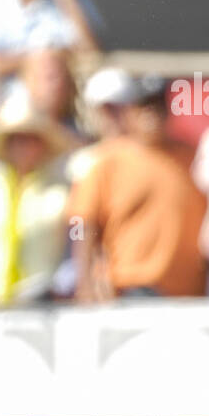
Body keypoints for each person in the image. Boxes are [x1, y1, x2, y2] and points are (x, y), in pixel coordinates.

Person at [69, 77, 207, 301]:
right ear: (129, 111)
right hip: (131, 289)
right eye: (144, 106)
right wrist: (85, 282)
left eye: (158, 106)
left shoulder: (191, 157)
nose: (152, 113)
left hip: (189, 294)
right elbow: (81, 224)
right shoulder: (107, 161)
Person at [0, 91, 77, 307]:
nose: (23, 146)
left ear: (43, 144)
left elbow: (76, 240)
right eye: (16, 139)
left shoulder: (64, 189)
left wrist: (62, 286)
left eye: (30, 139)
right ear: (6, 145)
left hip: (45, 306)